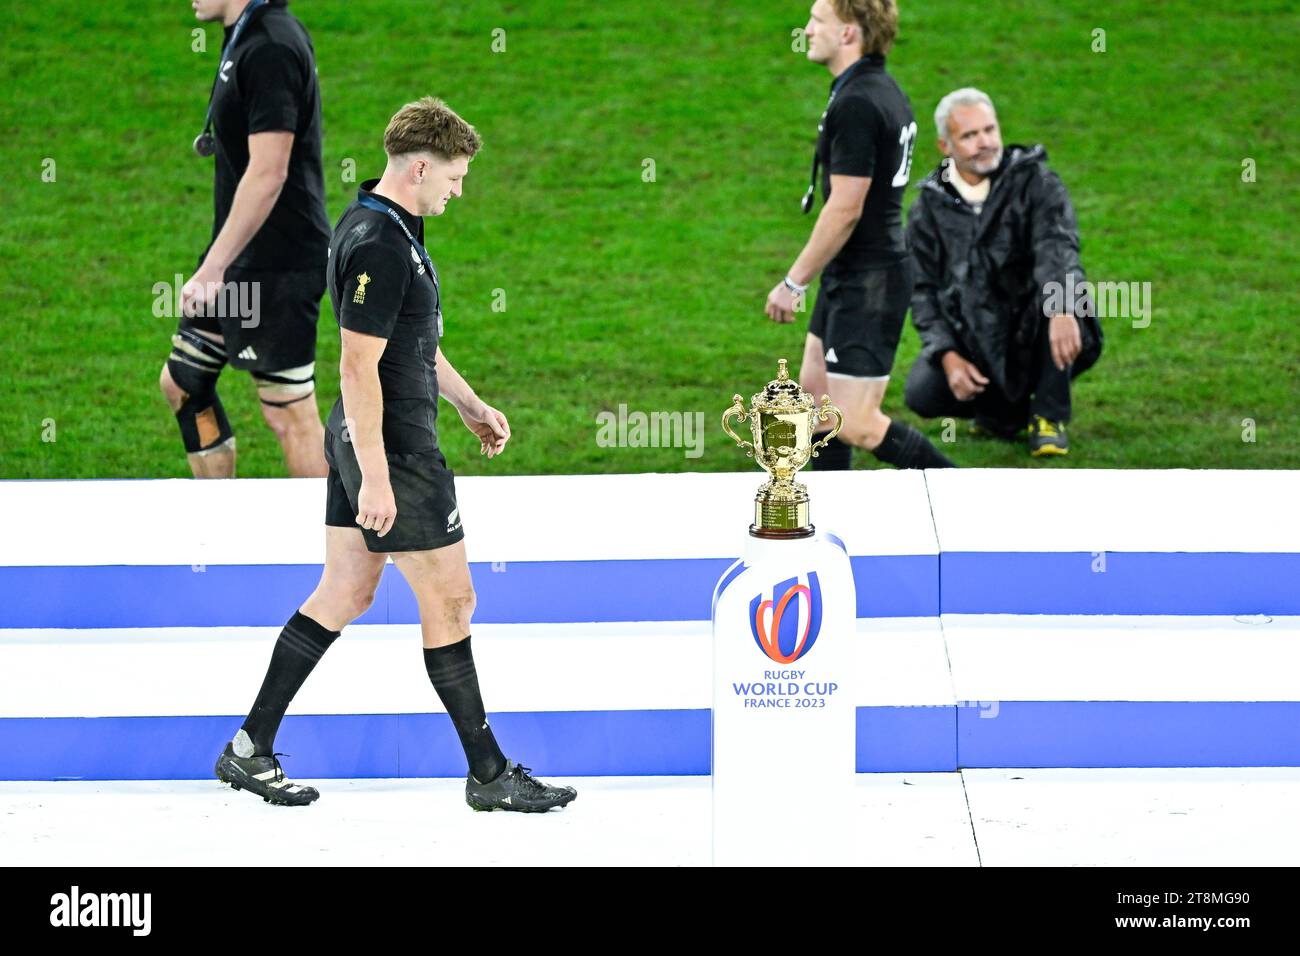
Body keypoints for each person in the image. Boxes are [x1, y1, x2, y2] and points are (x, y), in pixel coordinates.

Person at [214, 97, 576, 813]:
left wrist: (470, 404)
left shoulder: (378, 224)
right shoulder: (381, 244)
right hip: (394, 447)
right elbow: (356, 363)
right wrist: (378, 477)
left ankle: (249, 748)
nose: (459, 190)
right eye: (455, 177)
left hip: (367, 434)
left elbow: (410, 341)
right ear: (419, 167)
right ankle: (489, 773)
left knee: (346, 590)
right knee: (453, 597)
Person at [766, 0, 954, 470]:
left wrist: (794, 282)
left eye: (818, 20)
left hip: (868, 279)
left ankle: (966, 500)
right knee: (816, 406)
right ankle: (833, 520)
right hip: (855, 269)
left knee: (857, 422)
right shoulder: (878, 88)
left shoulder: (857, 101)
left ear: (848, 33)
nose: (807, 29)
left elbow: (846, 207)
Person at [159, 0, 330, 478]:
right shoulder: (249, 33)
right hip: (243, 256)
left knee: (288, 412)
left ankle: (334, 549)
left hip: (279, 260)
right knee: (184, 382)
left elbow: (270, 171)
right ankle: (221, 527)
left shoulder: (271, 45)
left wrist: (213, 269)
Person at [902, 88, 1103, 457]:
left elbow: (1056, 248)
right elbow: (921, 290)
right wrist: (947, 354)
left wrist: (1063, 309)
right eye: (970, 135)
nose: (985, 143)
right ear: (945, 146)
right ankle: (1002, 415)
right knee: (922, 392)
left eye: (990, 130)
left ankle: (1048, 416)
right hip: (977, 334)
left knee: (1058, 296)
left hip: (1036, 322)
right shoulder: (927, 209)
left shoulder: (1037, 182)